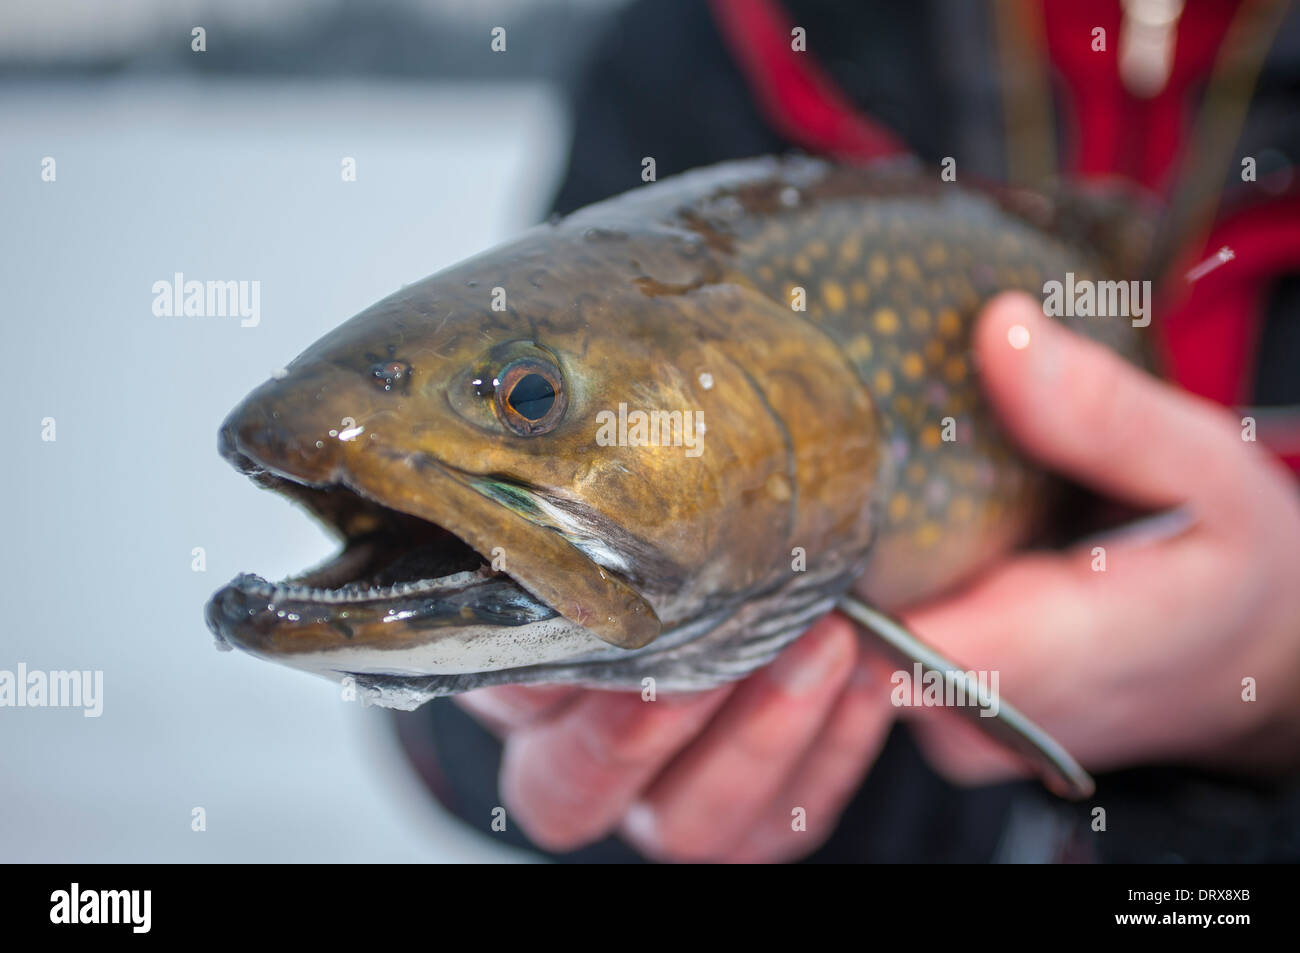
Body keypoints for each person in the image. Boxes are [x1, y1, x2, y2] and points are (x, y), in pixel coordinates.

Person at [395, 0, 1300, 862]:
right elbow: (464, 730)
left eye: (529, 398)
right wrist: (513, 732)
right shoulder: (699, 49)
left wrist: (1277, 692)